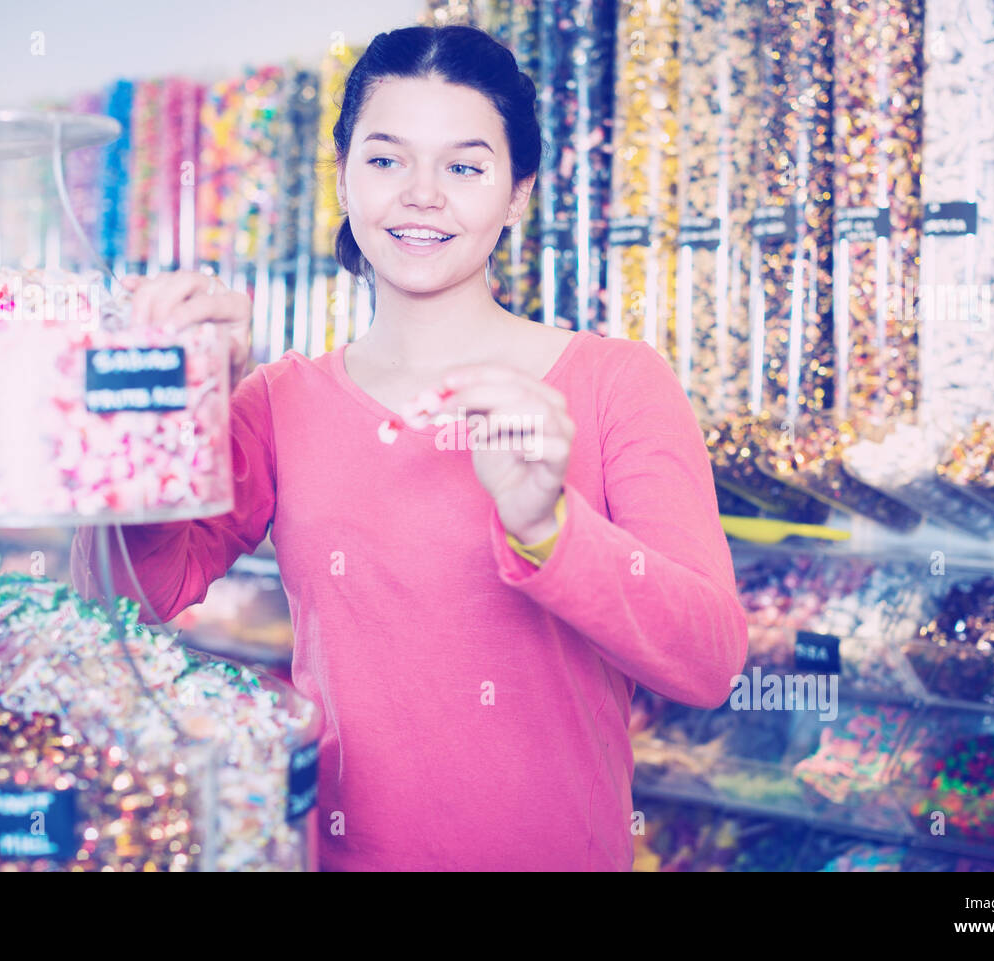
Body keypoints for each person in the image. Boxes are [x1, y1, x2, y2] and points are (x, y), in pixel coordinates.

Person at [72, 23, 747, 871]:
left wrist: (548, 523)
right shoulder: (280, 399)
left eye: (464, 167)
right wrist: (175, 411)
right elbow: (115, 598)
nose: (421, 194)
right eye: (387, 160)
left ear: (518, 193)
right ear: (346, 177)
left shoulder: (619, 382)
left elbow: (711, 662)